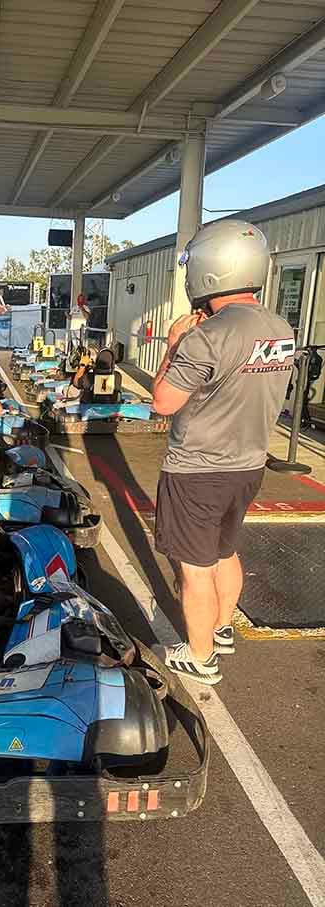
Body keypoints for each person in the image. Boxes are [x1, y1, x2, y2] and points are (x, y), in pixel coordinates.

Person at [151, 220, 295, 684]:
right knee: (225, 551)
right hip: (249, 465)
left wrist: (173, 345)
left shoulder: (208, 335)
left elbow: (163, 402)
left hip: (197, 470)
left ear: (209, 270)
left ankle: (201, 657)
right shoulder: (279, 326)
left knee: (194, 570)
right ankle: (221, 627)